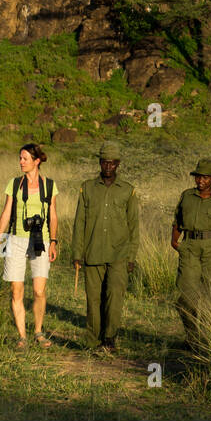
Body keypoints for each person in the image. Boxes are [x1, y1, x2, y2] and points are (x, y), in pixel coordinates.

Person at [70, 140, 139, 355]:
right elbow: (79, 221)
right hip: (92, 252)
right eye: (104, 162)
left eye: (112, 163)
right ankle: (92, 340)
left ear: (118, 164)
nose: (108, 167)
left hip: (119, 253)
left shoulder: (127, 190)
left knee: (114, 296)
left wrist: (131, 256)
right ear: (99, 163)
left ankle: (109, 339)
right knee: (93, 298)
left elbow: (134, 225)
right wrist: (77, 253)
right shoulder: (88, 187)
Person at [0, 143, 60, 349]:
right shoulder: (14, 184)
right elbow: (6, 213)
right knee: (16, 290)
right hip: (16, 239)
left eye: (25, 159)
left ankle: (38, 331)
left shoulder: (49, 185)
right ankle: (22, 337)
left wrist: (54, 241)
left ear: (36, 161)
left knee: (39, 290)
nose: (21, 162)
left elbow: (53, 215)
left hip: (41, 240)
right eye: (20, 158)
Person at [170, 158, 211, 347]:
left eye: (205, 177)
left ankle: (210, 338)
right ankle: (192, 336)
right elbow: (177, 220)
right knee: (185, 296)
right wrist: (174, 240)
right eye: (198, 177)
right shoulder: (186, 196)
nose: (200, 181)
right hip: (189, 247)